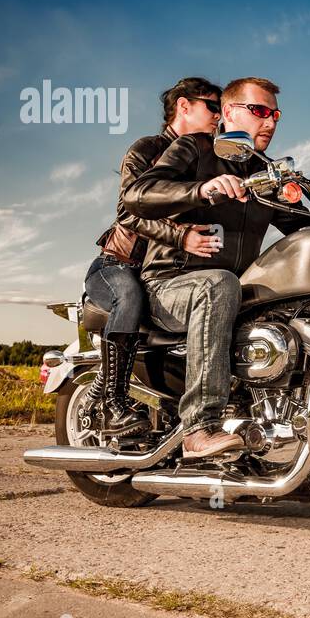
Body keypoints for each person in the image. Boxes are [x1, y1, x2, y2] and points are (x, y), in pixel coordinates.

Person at [123, 76, 310, 458]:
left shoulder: (265, 171)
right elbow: (137, 195)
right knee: (219, 284)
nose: (271, 121)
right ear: (229, 113)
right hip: (168, 285)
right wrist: (201, 189)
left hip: (227, 288)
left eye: (275, 114)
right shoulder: (195, 148)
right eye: (260, 111)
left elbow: (302, 223)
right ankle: (199, 427)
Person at [81, 77, 224, 437]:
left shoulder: (210, 156)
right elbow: (129, 212)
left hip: (165, 273)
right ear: (183, 105)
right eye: (212, 106)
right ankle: (112, 403)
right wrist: (181, 236)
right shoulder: (148, 149)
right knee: (129, 295)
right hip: (117, 265)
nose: (220, 116)